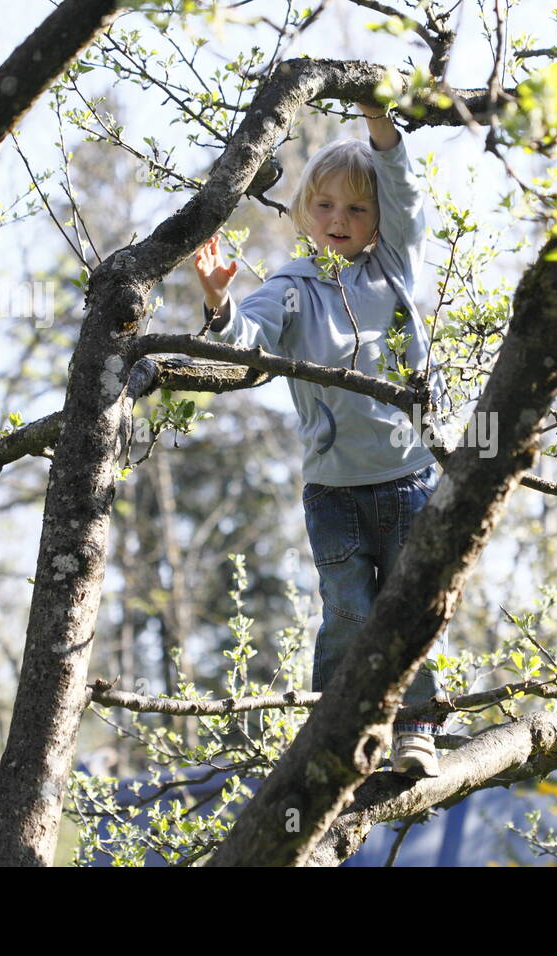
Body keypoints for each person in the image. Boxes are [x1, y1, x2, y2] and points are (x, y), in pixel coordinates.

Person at [192, 102, 448, 777]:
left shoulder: (394, 267)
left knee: (412, 602)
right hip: (333, 491)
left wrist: (379, 121)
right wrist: (221, 305)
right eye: (326, 206)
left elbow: (403, 186)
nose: (340, 220)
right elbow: (246, 346)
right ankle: (342, 732)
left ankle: (418, 727)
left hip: (409, 479)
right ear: (306, 210)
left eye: (358, 211)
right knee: (348, 613)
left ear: (380, 222)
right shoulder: (292, 288)